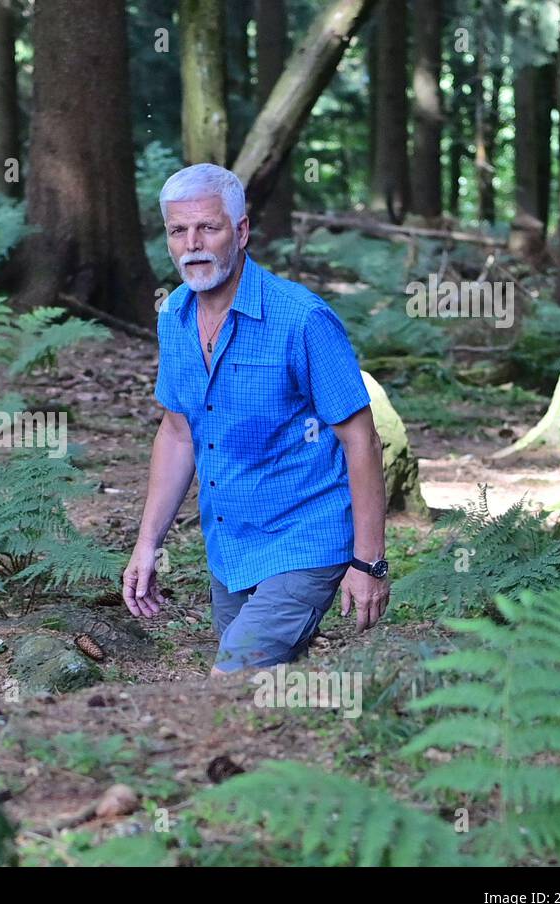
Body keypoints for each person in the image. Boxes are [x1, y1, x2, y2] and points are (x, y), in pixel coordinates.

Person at [121, 164, 391, 677]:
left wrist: (368, 561)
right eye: (179, 231)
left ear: (241, 232)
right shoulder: (174, 316)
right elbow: (178, 433)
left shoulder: (302, 319)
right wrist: (147, 544)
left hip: (306, 538)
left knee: (230, 678)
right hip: (231, 546)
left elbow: (362, 440)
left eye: (209, 227)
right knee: (262, 696)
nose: (193, 243)